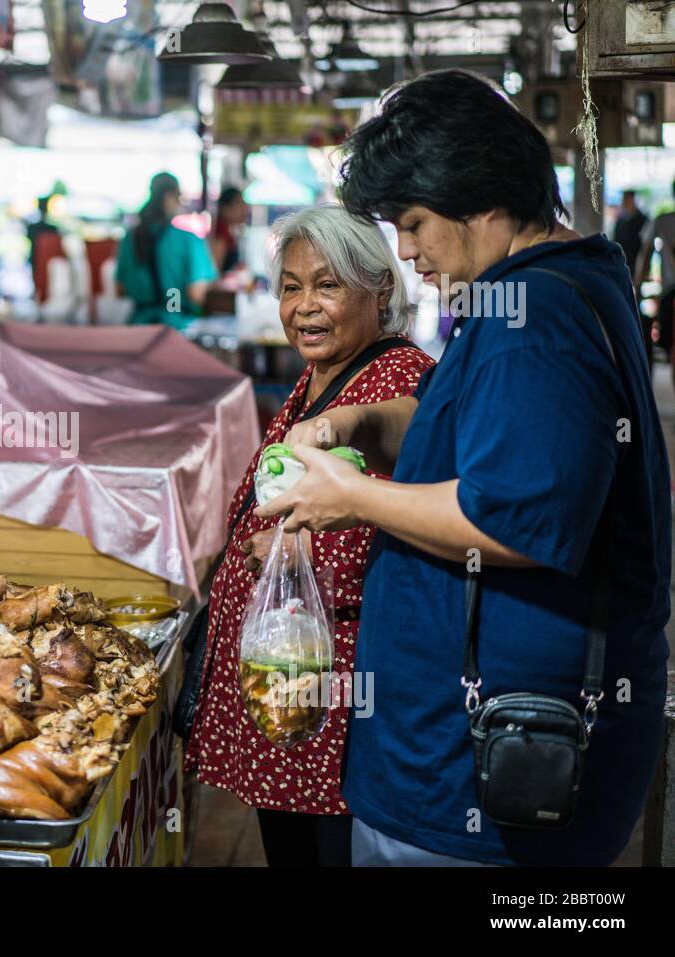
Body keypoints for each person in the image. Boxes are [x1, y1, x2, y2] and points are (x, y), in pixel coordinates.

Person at [258, 70, 670, 867]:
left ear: (479, 200)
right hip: (466, 762)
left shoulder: (534, 320)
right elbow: (478, 431)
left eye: (413, 224)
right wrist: (364, 421)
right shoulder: (542, 287)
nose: (407, 253)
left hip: (483, 782)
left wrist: (354, 495)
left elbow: (511, 515)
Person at [185, 204, 433, 867]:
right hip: (287, 684)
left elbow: (400, 456)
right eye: (291, 287)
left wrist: (299, 545)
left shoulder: (397, 374)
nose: (304, 306)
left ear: (379, 290)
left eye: (327, 285)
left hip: (336, 702)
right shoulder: (318, 373)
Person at [115, 172, 217, 329]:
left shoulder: (130, 238)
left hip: (137, 326)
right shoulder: (187, 239)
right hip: (176, 324)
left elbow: (120, 289)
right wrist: (171, 303)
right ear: (168, 197)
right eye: (179, 197)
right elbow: (195, 293)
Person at [635, 180, 675, 372]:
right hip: (669, 293)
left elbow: (645, 254)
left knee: (670, 350)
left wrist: (636, 286)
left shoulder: (662, 220)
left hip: (670, 291)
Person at [210, 186, 248, 274]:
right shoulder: (220, 234)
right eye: (240, 204)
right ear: (225, 208)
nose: (245, 209)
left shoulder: (227, 232)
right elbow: (214, 272)